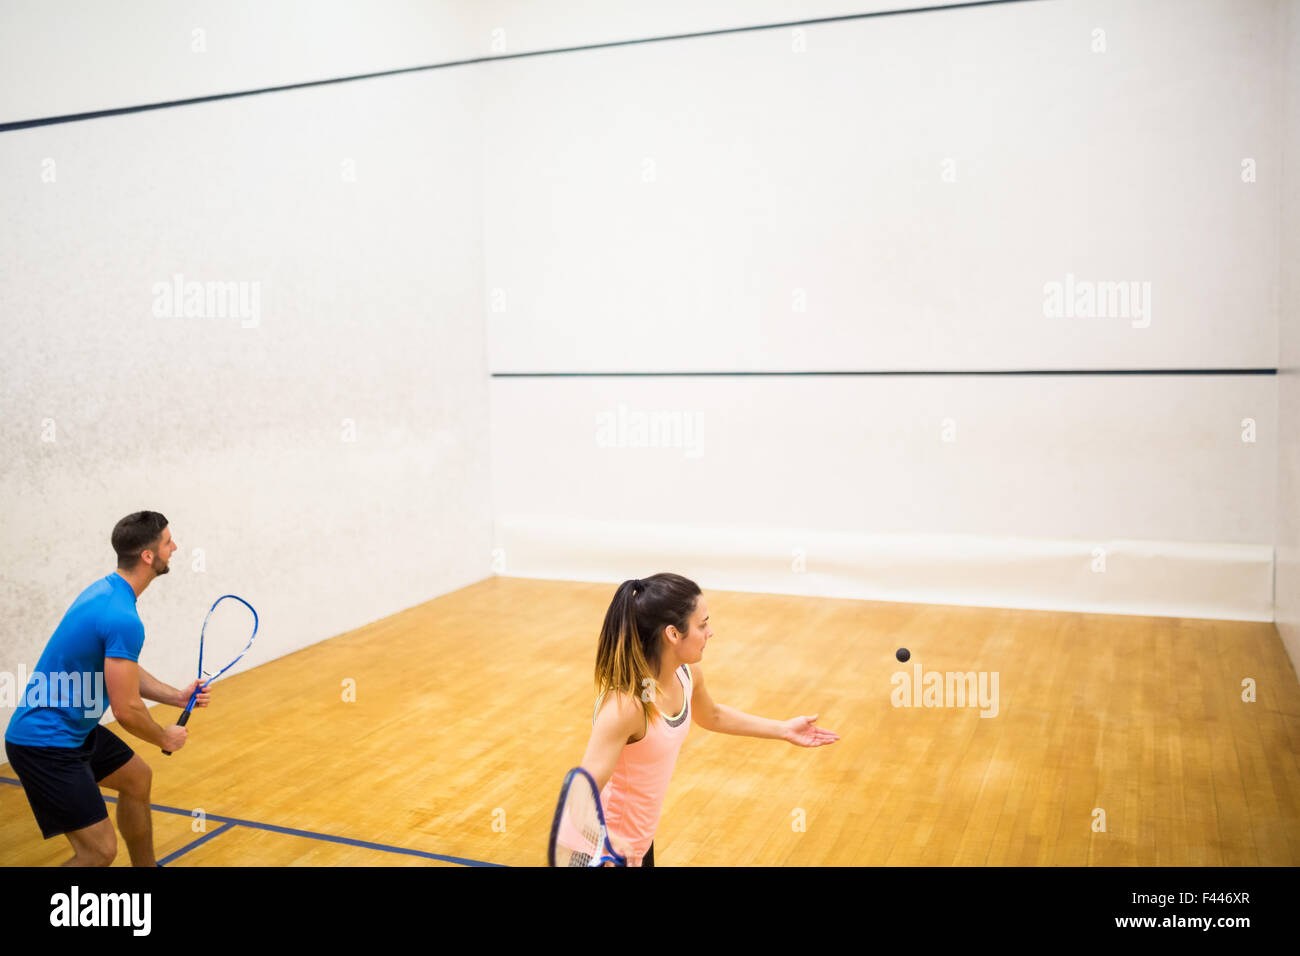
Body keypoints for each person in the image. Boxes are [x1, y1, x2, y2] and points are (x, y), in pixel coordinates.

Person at [578, 573, 839, 866]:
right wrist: (609, 842)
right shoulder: (627, 707)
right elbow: (579, 797)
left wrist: (783, 729)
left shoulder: (685, 674)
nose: (710, 632)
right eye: (702, 625)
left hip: (638, 845)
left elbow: (712, 715)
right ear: (673, 634)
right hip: (604, 852)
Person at [4, 511, 210, 866]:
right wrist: (164, 737)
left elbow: (119, 666)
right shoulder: (123, 617)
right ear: (148, 556)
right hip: (45, 743)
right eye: (167, 542)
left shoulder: (106, 591)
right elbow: (126, 709)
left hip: (72, 730)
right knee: (98, 852)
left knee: (136, 778)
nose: (174, 548)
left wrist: (175, 696)